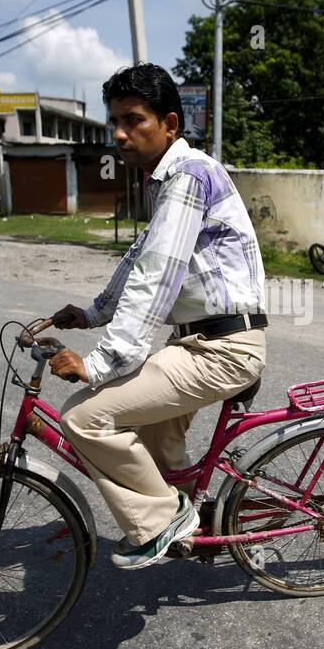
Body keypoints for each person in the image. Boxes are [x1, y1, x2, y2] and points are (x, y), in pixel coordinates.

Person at [46, 63, 267, 570]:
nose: (119, 134)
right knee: (155, 445)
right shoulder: (166, 180)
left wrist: (102, 362)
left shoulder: (189, 176)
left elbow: (158, 278)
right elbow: (143, 256)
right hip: (198, 343)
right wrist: (92, 312)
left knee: (85, 417)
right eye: (114, 122)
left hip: (223, 350)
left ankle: (163, 520)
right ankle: (196, 518)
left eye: (133, 120)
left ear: (170, 124)